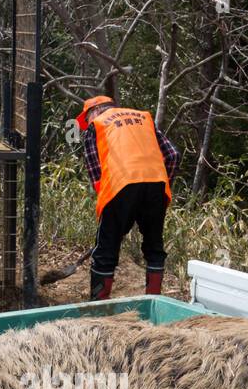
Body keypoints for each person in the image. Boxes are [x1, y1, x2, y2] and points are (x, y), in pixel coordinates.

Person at [77, 95, 180, 300]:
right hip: (157, 184)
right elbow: (173, 155)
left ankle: (99, 309)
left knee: (105, 252)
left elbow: (96, 174)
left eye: (86, 118)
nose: (86, 123)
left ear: (94, 111)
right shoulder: (144, 118)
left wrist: (115, 216)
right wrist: (161, 183)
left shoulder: (96, 125)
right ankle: (153, 302)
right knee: (154, 247)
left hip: (119, 186)